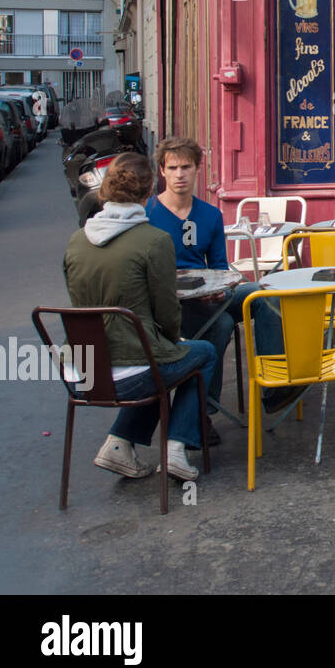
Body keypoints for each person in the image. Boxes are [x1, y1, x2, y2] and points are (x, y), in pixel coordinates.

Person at [63, 152, 215, 483]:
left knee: (160, 360)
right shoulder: (153, 241)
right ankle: (176, 448)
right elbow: (167, 317)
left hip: (81, 373)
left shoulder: (76, 241)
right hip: (131, 371)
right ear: (149, 192)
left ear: (104, 191)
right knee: (197, 355)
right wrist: (175, 341)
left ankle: (118, 444)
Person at [144, 137, 295, 426]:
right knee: (222, 324)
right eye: (173, 167)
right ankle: (201, 415)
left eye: (186, 167)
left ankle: (275, 386)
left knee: (264, 293)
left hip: (207, 294)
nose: (180, 174)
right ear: (162, 171)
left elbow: (218, 266)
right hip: (169, 303)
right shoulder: (149, 215)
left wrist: (220, 290)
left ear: (197, 169)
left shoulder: (210, 214)